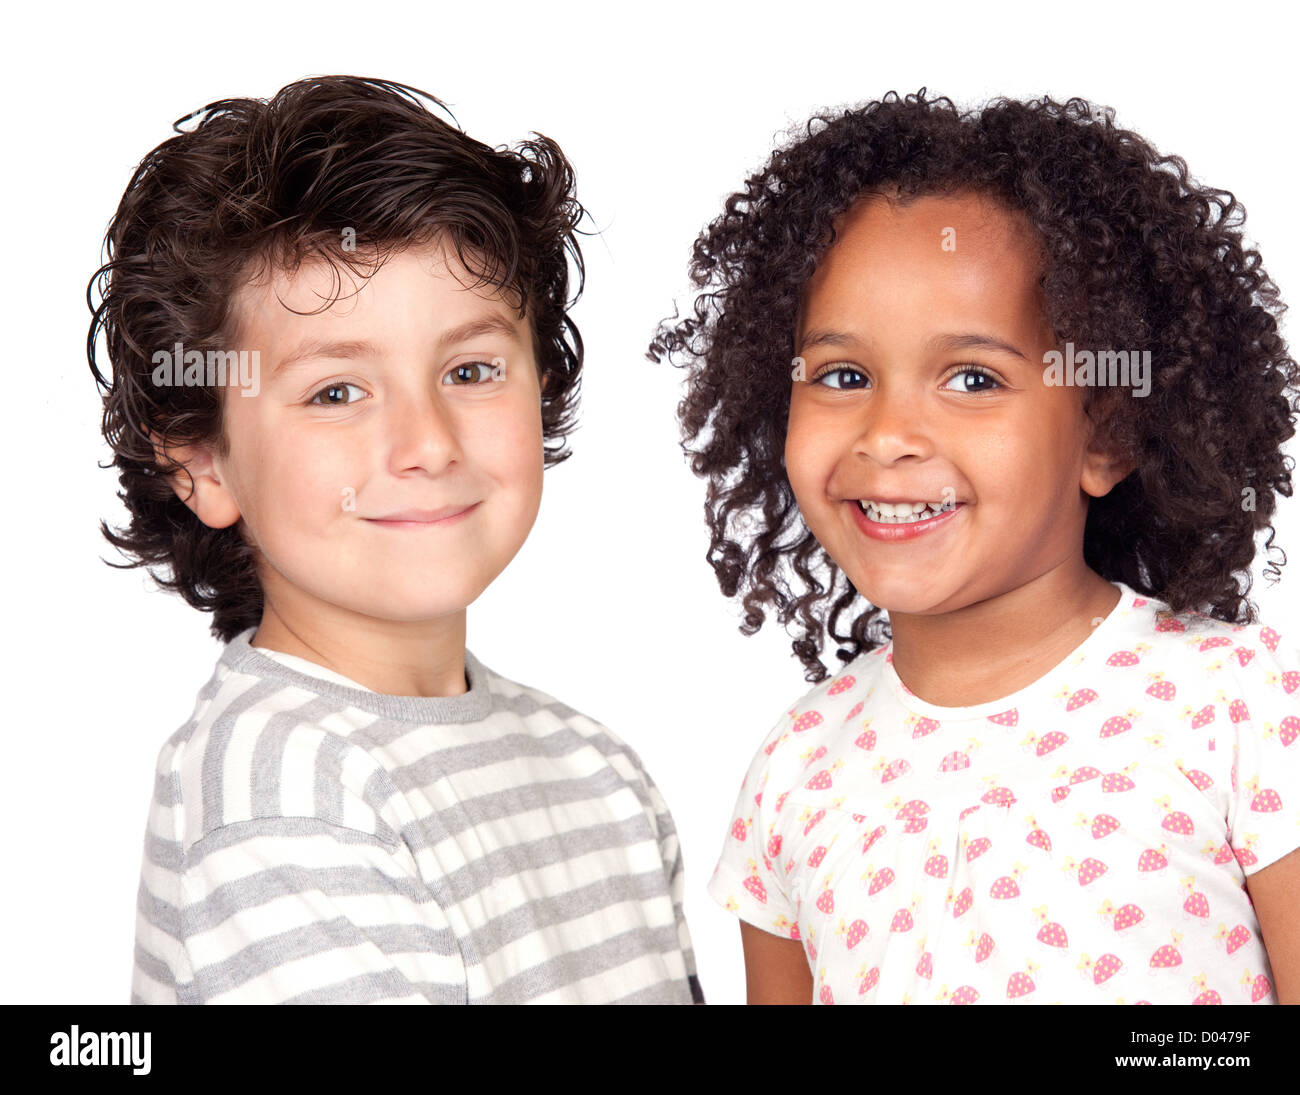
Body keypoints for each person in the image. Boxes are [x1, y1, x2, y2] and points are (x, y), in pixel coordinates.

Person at [649, 90, 1299, 1004]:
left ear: (1104, 433)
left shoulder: (1242, 708)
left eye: (971, 377)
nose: (888, 434)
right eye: (844, 375)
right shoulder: (794, 772)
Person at [90, 75, 702, 1004]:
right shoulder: (280, 788)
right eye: (336, 391)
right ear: (204, 463)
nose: (426, 443)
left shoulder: (597, 768)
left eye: (470, 369)